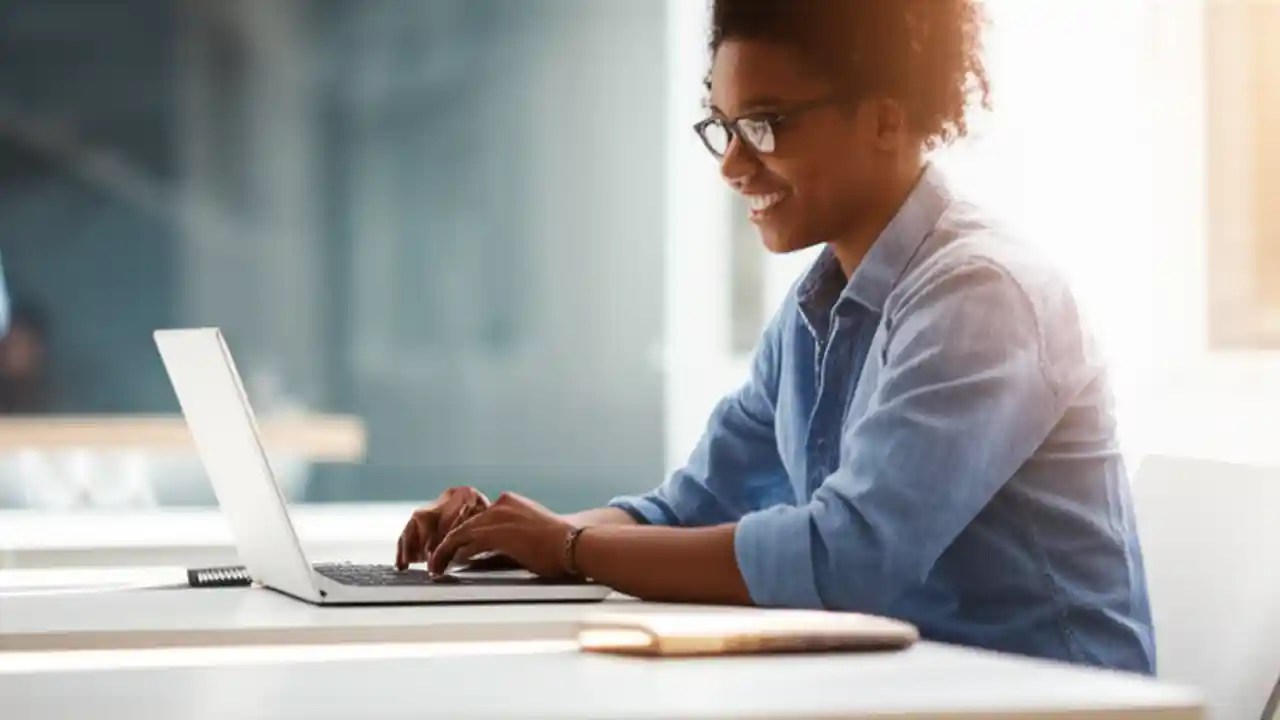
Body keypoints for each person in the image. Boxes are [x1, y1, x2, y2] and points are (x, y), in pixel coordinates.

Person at [396, 0, 1154, 673]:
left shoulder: (982, 295)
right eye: (722, 126)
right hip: (911, 692)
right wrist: (509, 534)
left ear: (887, 119)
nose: (731, 163)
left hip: (1052, 701)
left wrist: (566, 548)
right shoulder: (813, 314)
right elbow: (682, 510)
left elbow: (845, 556)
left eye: (765, 125)